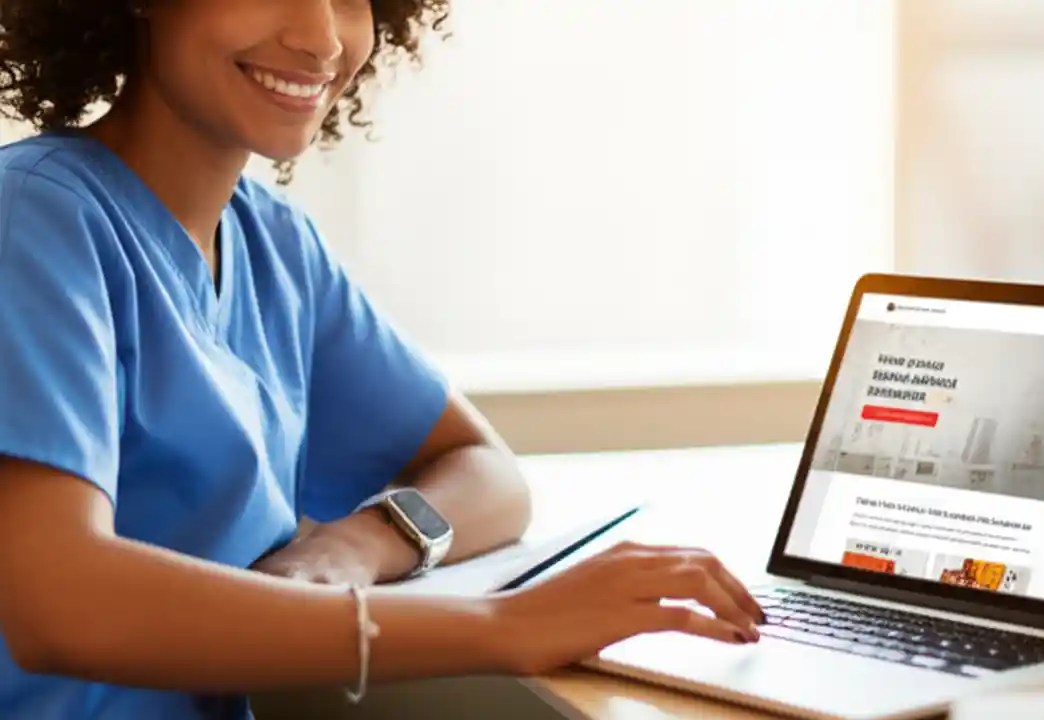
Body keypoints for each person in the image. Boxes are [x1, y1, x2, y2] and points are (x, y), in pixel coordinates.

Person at [0, 1, 763, 717]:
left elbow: (486, 472)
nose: (321, 38)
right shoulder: (32, 218)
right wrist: (507, 625)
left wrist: (359, 543)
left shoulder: (275, 247)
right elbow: (59, 604)